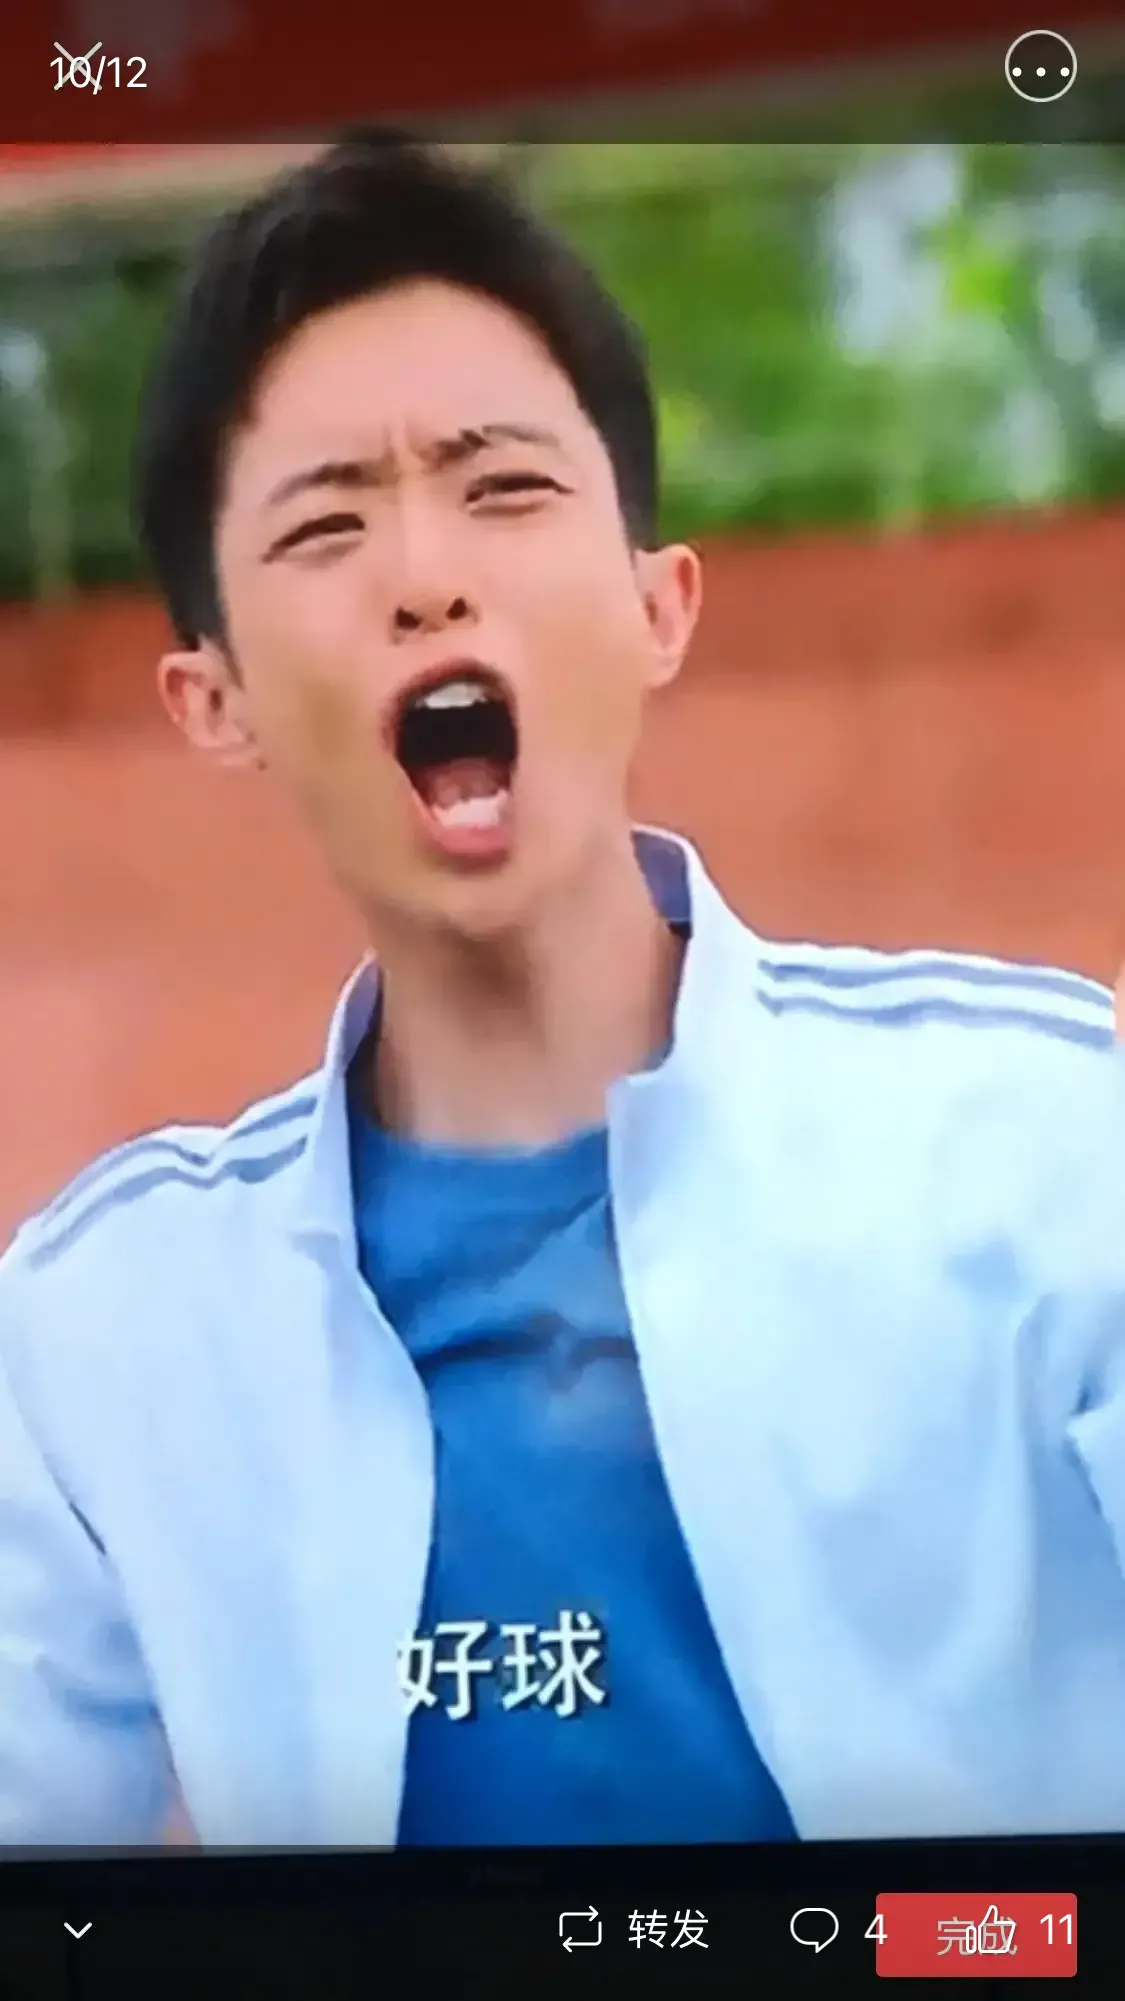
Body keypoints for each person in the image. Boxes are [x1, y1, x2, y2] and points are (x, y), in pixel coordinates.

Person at [2, 130, 1124, 1852]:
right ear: (211, 700)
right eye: (326, 523)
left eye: (505, 488)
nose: (425, 575)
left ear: (659, 606)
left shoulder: (1048, 1142)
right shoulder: (105, 1326)